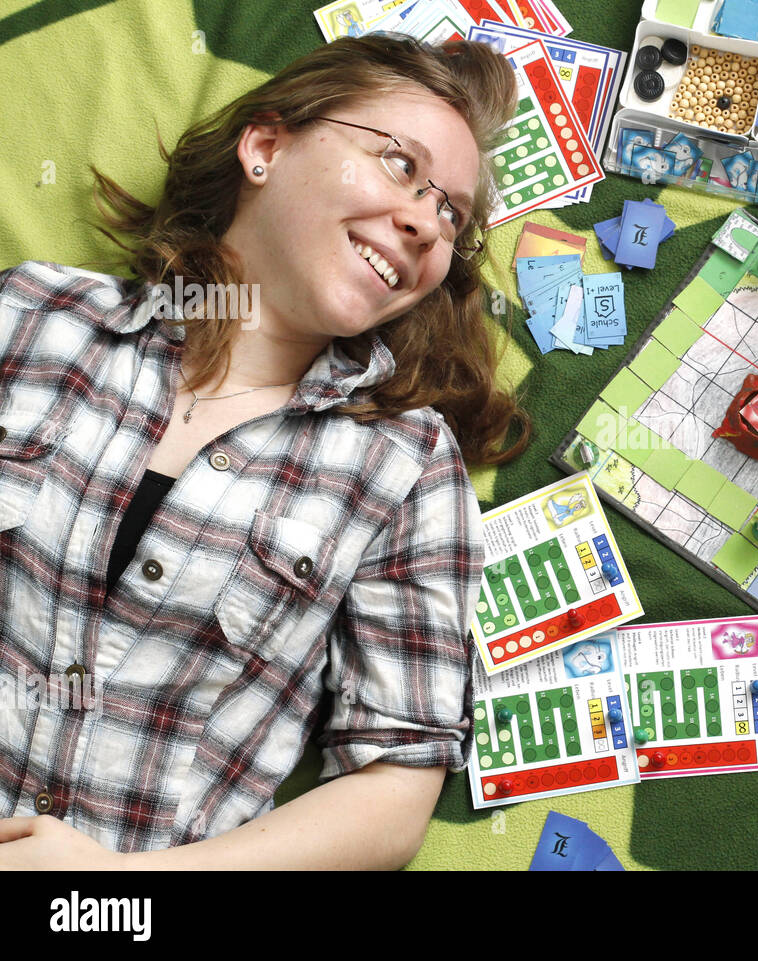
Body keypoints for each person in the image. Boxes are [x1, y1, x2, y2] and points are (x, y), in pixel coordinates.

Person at [0, 34, 529, 868]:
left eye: (451, 214)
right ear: (266, 145)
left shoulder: (405, 466)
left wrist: (117, 888)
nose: (428, 221)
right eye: (400, 165)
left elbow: (393, 792)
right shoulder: (36, 316)